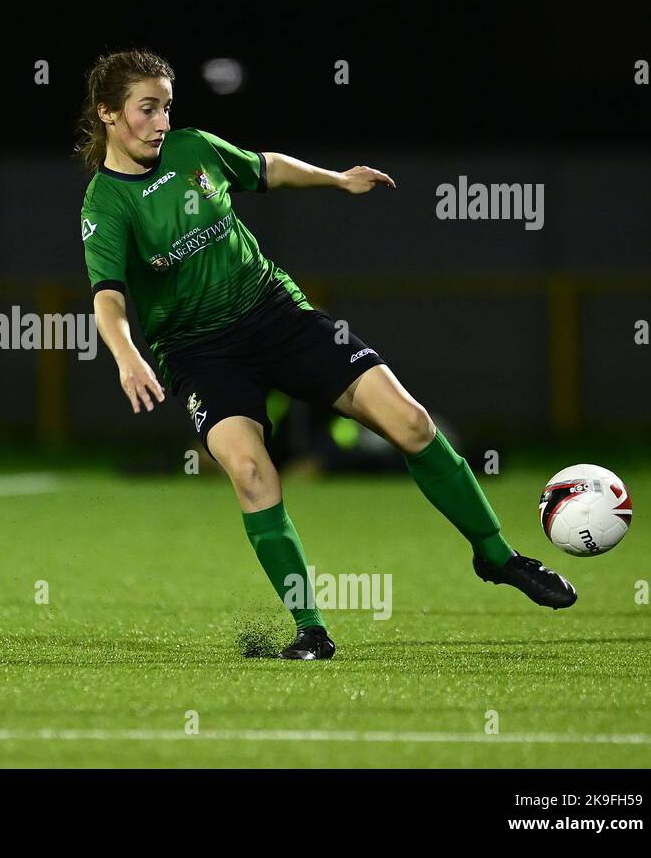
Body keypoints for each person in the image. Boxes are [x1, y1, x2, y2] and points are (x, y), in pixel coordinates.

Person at [78, 49, 577, 660]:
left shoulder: (193, 149)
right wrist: (127, 354)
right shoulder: (106, 204)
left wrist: (336, 179)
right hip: (199, 352)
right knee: (251, 470)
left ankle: (497, 556)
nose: (160, 123)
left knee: (412, 424)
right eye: (146, 110)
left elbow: (267, 168)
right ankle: (310, 628)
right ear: (107, 114)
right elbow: (107, 299)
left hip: (274, 313)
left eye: (166, 108)